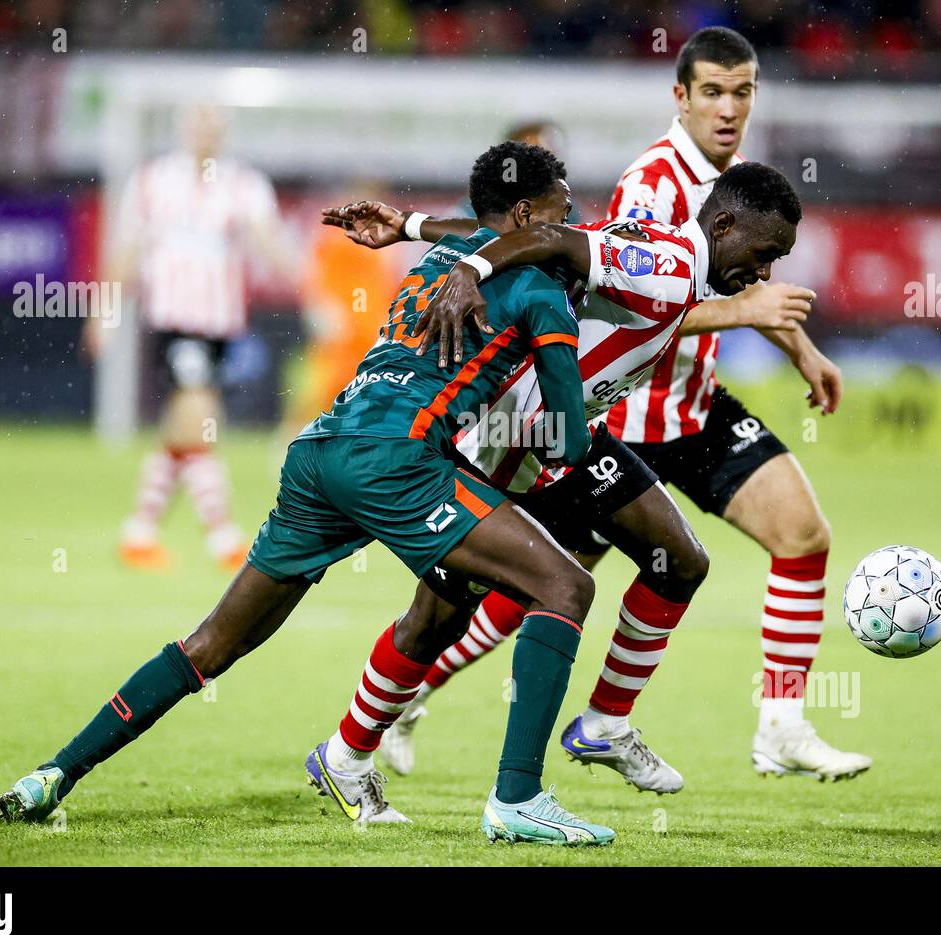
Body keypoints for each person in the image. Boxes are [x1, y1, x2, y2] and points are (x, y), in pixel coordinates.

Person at [0, 142, 614, 847]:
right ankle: (518, 798)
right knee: (565, 587)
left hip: (321, 452)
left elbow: (455, 237)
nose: (574, 224)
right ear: (528, 213)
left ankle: (51, 775)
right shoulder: (540, 291)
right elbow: (567, 442)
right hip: (397, 461)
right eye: (564, 209)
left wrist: (412, 228)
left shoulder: (441, 261)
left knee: (213, 643)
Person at [381, 27, 872, 784]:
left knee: (800, 534)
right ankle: (411, 702)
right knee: (522, 589)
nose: (729, 107)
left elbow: (737, 286)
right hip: (608, 417)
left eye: (742, 92)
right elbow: (632, 290)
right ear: (681, 96)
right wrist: (743, 313)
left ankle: (779, 722)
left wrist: (801, 349)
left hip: (691, 404)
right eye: (712, 91)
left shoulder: (741, 185)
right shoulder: (656, 182)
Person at [320, 158, 804, 804]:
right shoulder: (662, 265)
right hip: (509, 438)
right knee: (436, 618)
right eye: (764, 252)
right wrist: (467, 270)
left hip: (570, 437)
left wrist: (412, 224)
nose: (765, 272)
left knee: (679, 560)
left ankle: (605, 722)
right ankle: (348, 749)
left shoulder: (666, 253)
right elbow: (545, 239)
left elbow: (538, 237)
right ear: (723, 223)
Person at [89, 104, 296, 572]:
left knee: (183, 429)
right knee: (203, 417)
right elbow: (124, 250)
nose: (206, 130)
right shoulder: (151, 181)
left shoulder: (243, 183)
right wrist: (104, 313)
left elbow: (269, 240)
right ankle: (224, 538)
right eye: (198, 121)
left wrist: (313, 291)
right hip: (173, 320)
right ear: (184, 128)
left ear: (223, 131)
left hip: (221, 325)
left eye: (214, 122)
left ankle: (139, 532)